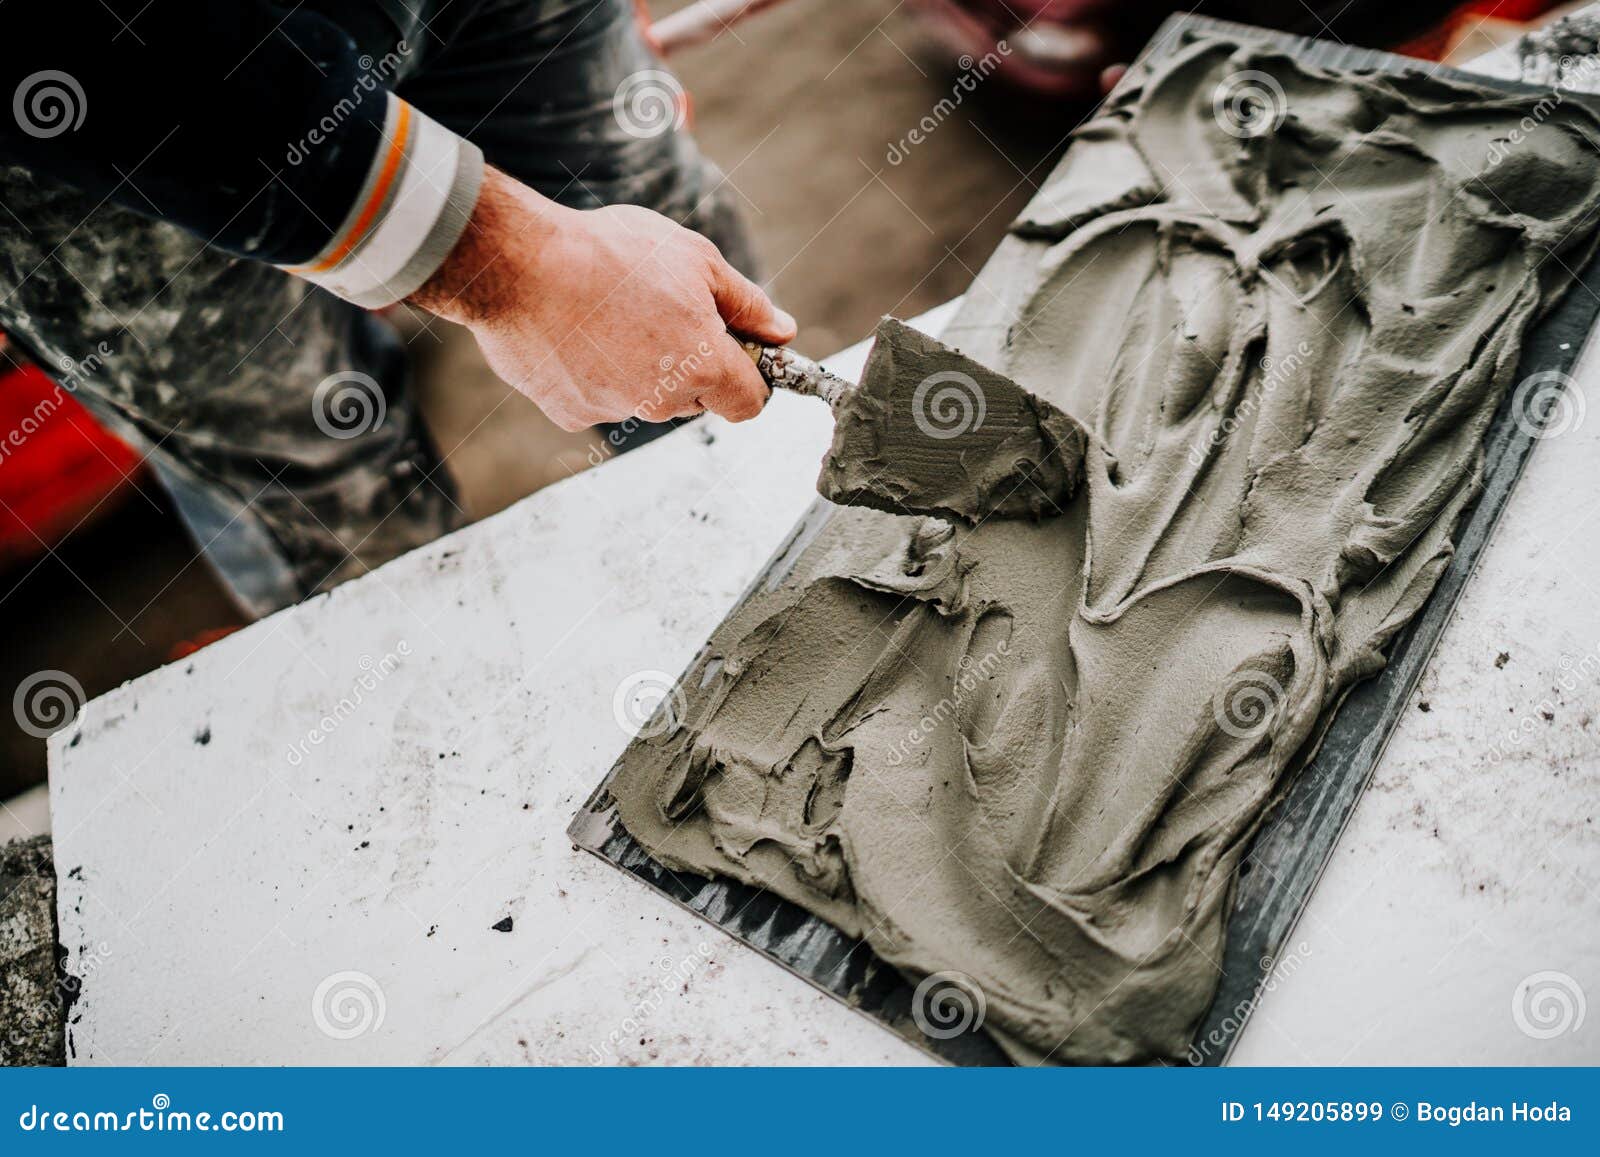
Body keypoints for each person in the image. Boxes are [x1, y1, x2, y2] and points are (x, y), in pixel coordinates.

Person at [0, 1, 795, 615]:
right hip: (107, 121)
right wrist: (506, 263)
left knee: (672, 265)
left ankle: (780, 585)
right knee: (332, 500)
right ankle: (462, 744)